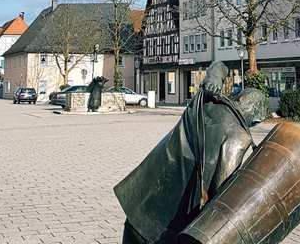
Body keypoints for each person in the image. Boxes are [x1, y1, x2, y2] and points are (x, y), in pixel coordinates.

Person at [114, 61, 266, 244]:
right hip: (170, 219)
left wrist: (214, 77)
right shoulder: (238, 139)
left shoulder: (205, 100)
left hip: (144, 198)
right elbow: (222, 191)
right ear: (256, 118)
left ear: (239, 97)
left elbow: (219, 64)